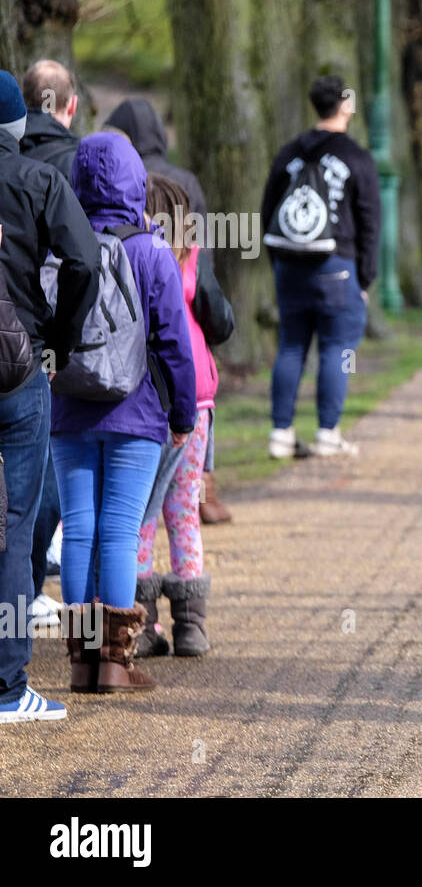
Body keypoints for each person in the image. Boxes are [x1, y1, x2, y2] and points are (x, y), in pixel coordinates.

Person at [51, 132, 196, 694]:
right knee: (119, 528)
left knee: (80, 527)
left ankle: (81, 662)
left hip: (70, 407)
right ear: (137, 180)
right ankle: (114, 662)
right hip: (135, 412)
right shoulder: (152, 249)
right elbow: (174, 345)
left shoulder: (62, 243)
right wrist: (181, 413)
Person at [0, 69, 98, 723]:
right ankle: (7, 688)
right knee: (12, 526)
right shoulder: (37, 180)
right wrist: (57, 338)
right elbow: (85, 261)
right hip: (16, 363)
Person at [104, 98, 235, 523]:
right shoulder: (186, 182)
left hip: (135, 358)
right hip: (193, 361)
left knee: (135, 502)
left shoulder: (121, 179)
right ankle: (203, 492)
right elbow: (202, 256)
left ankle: (133, 570)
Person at [135, 173, 230, 658]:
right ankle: (192, 628)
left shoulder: (132, 252)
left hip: (149, 399)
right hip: (197, 399)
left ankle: (143, 625)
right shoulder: (189, 254)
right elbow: (222, 319)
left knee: (143, 513)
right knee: (184, 510)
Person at [260, 75, 378, 459]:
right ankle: (328, 431)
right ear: (344, 104)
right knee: (338, 349)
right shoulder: (357, 157)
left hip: (290, 266)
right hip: (338, 267)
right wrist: (366, 276)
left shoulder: (290, 153)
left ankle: (281, 433)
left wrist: (277, 261)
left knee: (291, 346)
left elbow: (268, 210)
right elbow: (369, 220)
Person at [19, 60, 82, 634]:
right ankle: (31, 588)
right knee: (37, 474)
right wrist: (65, 336)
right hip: (37, 343)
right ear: (72, 105)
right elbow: (84, 259)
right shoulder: (71, 167)